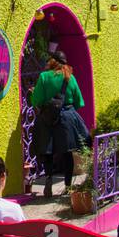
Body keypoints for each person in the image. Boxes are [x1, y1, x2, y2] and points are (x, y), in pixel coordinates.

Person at [30, 58, 89, 197]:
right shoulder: (70, 76)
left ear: (51, 62)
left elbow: (36, 100)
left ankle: (49, 178)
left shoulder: (44, 77)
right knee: (67, 153)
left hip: (47, 119)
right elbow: (78, 101)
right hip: (67, 118)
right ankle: (68, 186)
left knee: (48, 151)